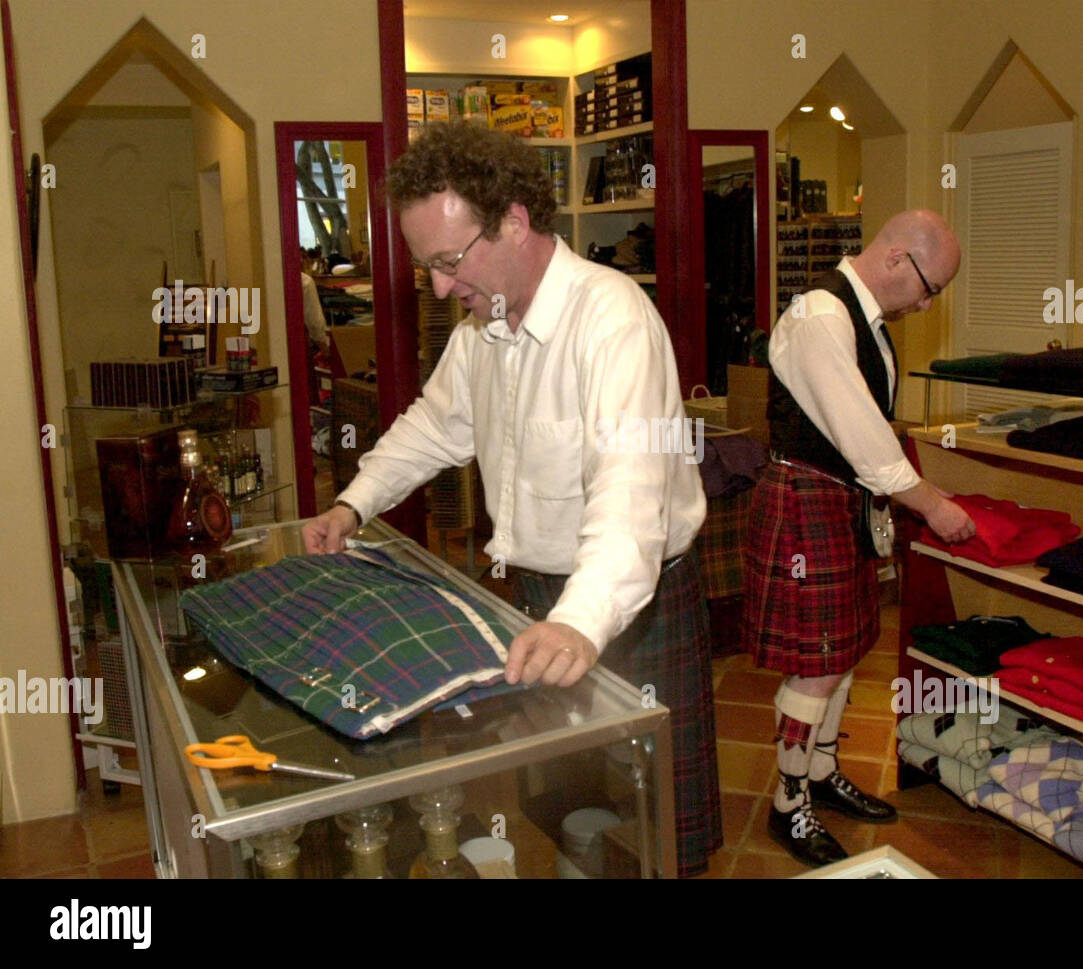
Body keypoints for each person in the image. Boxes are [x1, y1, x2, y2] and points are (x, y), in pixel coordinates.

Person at [300, 122, 722, 877]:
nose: (436, 286)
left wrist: (579, 623)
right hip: (537, 600)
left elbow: (631, 497)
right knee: (563, 803)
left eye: (448, 261)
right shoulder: (480, 332)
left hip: (629, 605)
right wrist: (352, 504)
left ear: (516, 224)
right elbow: (432, 428)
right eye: (425, 266)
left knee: (658, 823)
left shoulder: (614, 320)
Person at [741, 209, 976, 867]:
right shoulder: (822, 314)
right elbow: (865, 438)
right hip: (803, 499)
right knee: (816, 664)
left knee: (841, 653)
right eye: (930, 286)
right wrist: (931, 504)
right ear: (899, 256)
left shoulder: (865, 320)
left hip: (836, 499)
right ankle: (789, 804)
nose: (929, 302)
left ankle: (819, 772)